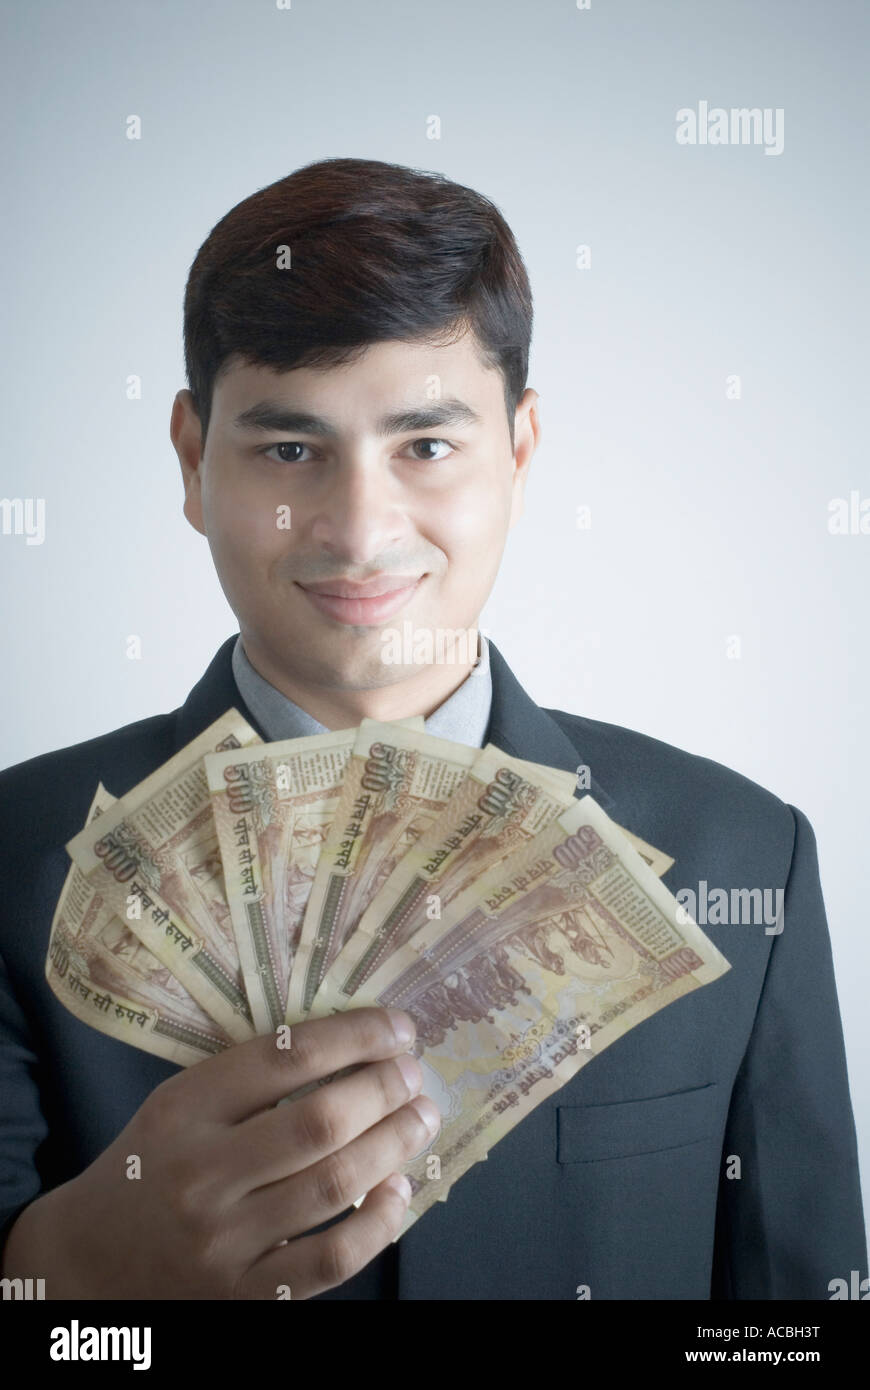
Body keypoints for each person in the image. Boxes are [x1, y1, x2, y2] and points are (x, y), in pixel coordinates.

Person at [0, 157, 865, 1300]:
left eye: (425, 444)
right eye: (291, 450)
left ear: (521, 447)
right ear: (192, 459)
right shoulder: (13, 860)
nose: (360, 533)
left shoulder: (746, 855)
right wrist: (64, 1283)